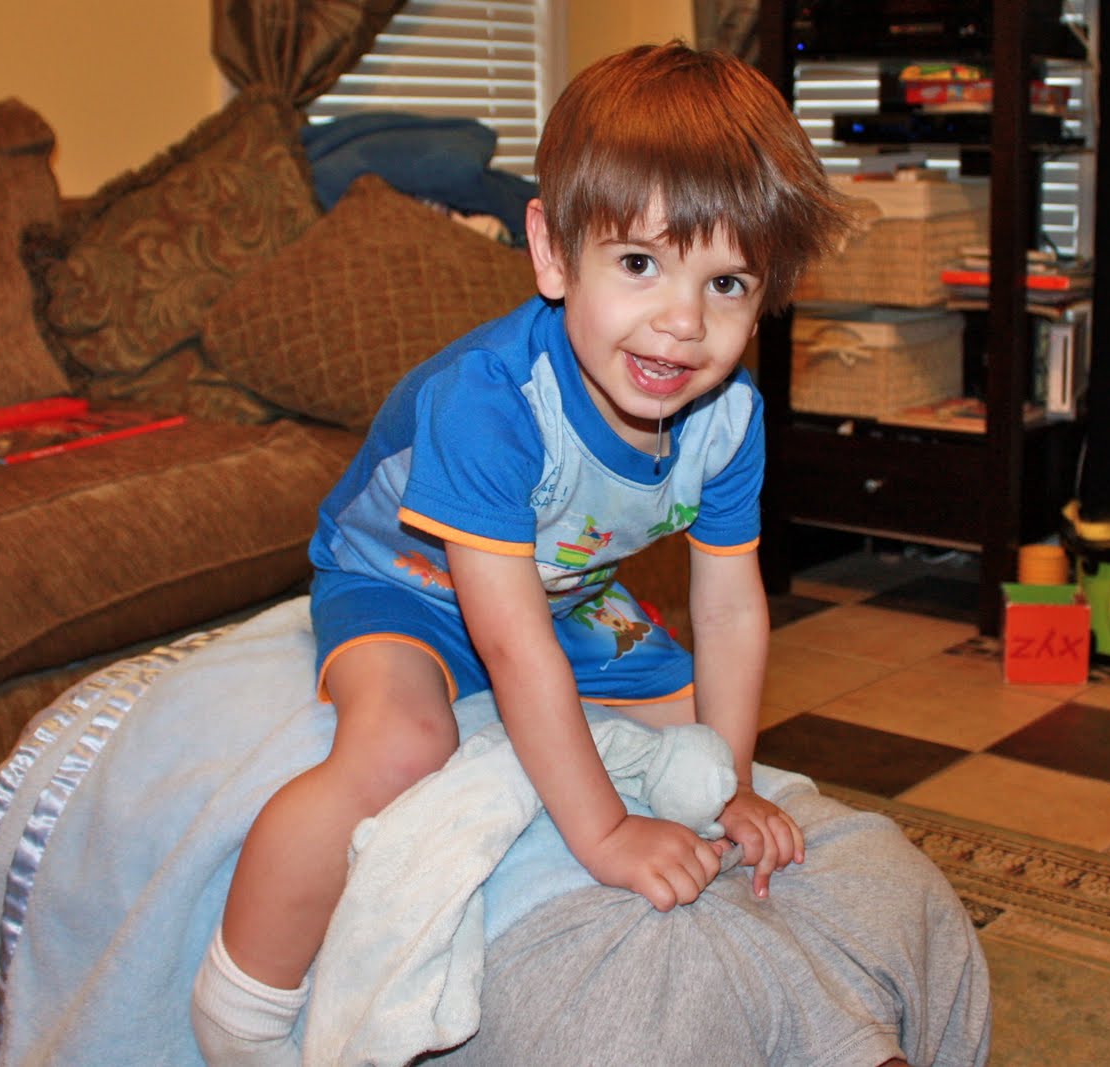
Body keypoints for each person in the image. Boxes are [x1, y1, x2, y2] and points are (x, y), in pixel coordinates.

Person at [191, 41, 863, 1064]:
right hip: (408, 584)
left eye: (725, 282)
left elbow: (728, 605)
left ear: (769, 290)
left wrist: (724, 781)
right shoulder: (491, 402)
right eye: (639, 264)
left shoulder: (730, 419)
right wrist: (604, 831)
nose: (681, 325)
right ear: (554, 254)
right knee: (400, 744)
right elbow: (509, 653)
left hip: (563, 585)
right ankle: (235, 1012)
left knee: (687, 738)